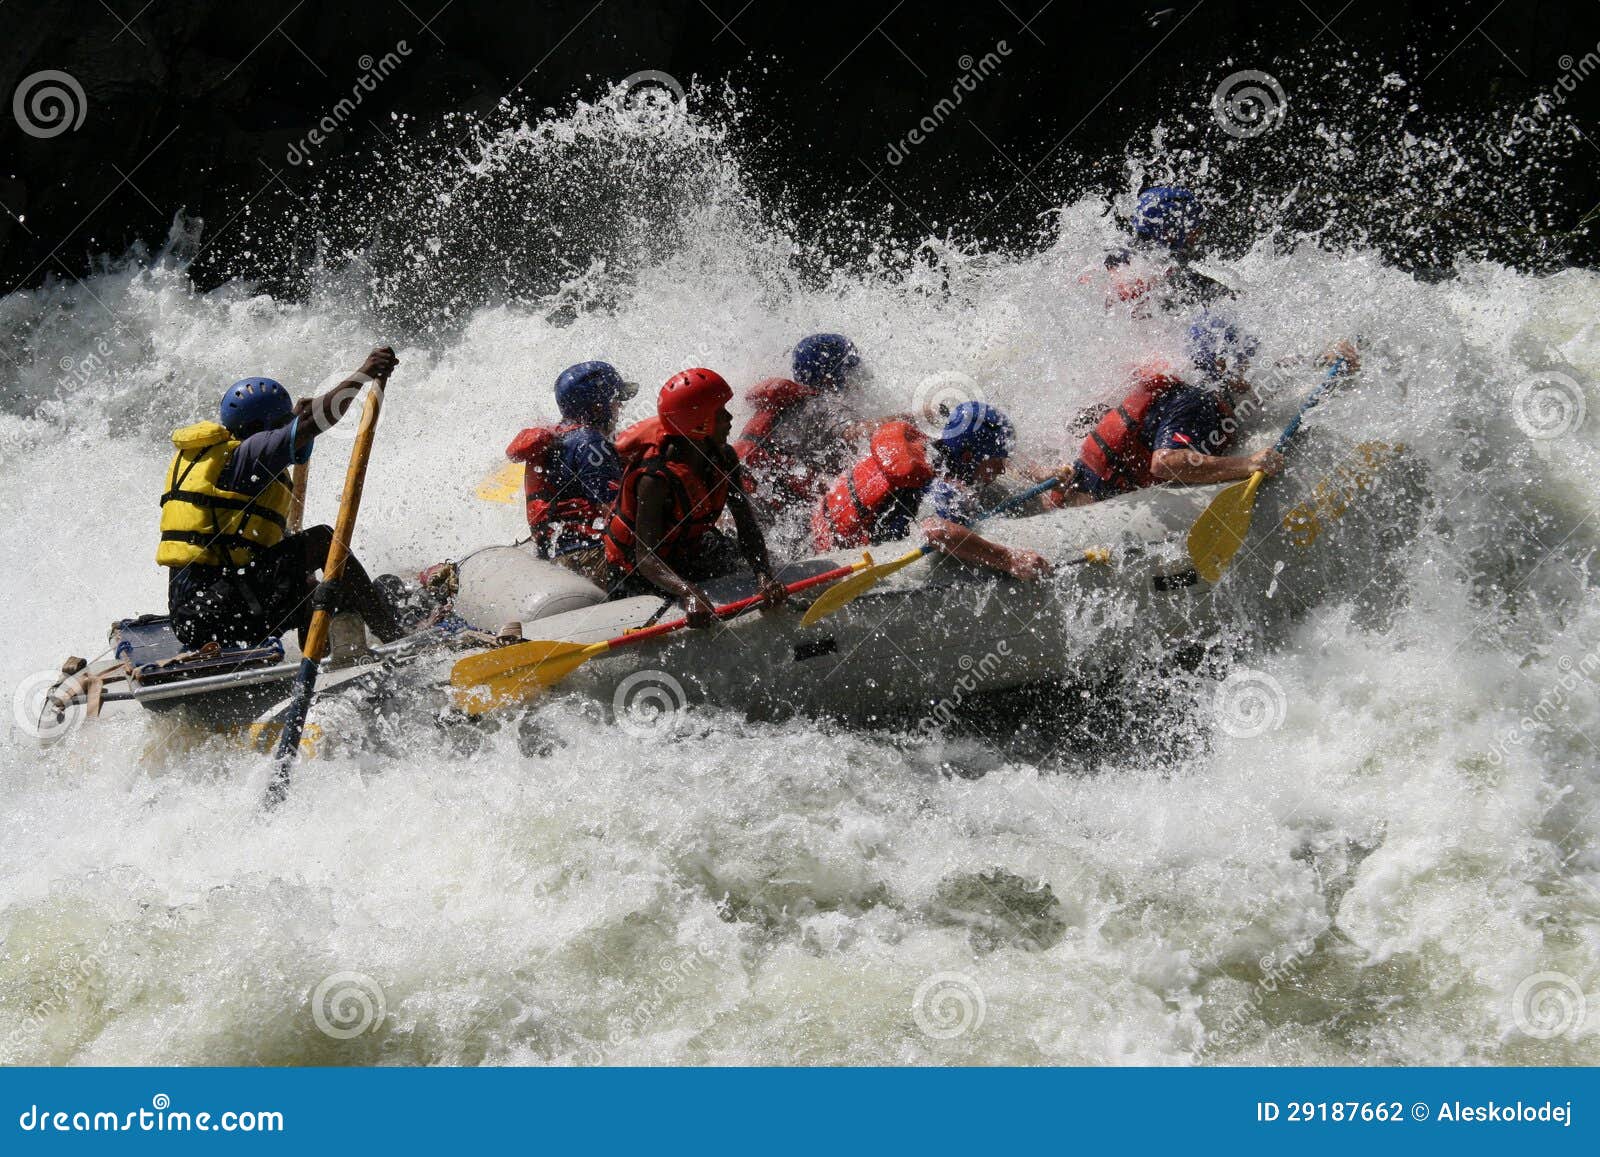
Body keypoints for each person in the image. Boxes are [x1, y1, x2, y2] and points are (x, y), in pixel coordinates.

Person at [158, 347, 406, 650]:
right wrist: (363, 374)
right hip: (219, 615)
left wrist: (293, 417)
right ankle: (393, 635)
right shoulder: (249, 455)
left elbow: (299, 423)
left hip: (197, 615)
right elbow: (313, 422)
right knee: (323, 541)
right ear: (261, 428)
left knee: (311, 575)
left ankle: (323, 653)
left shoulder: (222, 457)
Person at [602, 368, 790, 627]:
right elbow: (646, 557)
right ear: (699, 424)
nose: (730, 418)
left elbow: (746, 525)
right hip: (638, 570)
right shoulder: (654, 479)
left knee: (755, 559)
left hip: (688, 551)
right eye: (720, 413)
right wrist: (689, 592)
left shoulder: (725, 457)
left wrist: (763, 575)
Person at [812, 402, 1053, 582]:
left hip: (823, 521)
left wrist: (1042, 475)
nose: (1001, 469)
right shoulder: (942, 490)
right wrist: (1008, 559)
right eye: (996, 461)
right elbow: (936, 531)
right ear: (968, 457)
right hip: (845, 551)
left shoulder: (934, 448)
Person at [1060, 315, 1283, 503]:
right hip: (1096, 494)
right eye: (1243, 366)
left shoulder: (1190, 394)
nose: (1248, 381)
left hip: (1086, 482)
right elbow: (1164, 463)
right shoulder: (1198, 402)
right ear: (1222, 366)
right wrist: (1248, 464)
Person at [505, 360, 636, 583]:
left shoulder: (560, 436)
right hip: (590, 556)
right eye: (616, 401)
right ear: (598, 407)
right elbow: (617, 515)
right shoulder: (590, 443)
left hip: (559, 553)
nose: (620, 407)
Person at [732, 332, 872, 514]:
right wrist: (908, 418)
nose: (859, 379)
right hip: (780, 515)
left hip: (747, 506)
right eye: (852, 372)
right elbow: (856, 431)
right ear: (832, 378)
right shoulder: (824, 407)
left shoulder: (786, 405)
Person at [1097, 186, 1231, 316]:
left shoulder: (1103, 259)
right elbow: (1232, 306)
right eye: (1194, 227)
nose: (1198, 233)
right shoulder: (1186, 282)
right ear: (1170, 232)